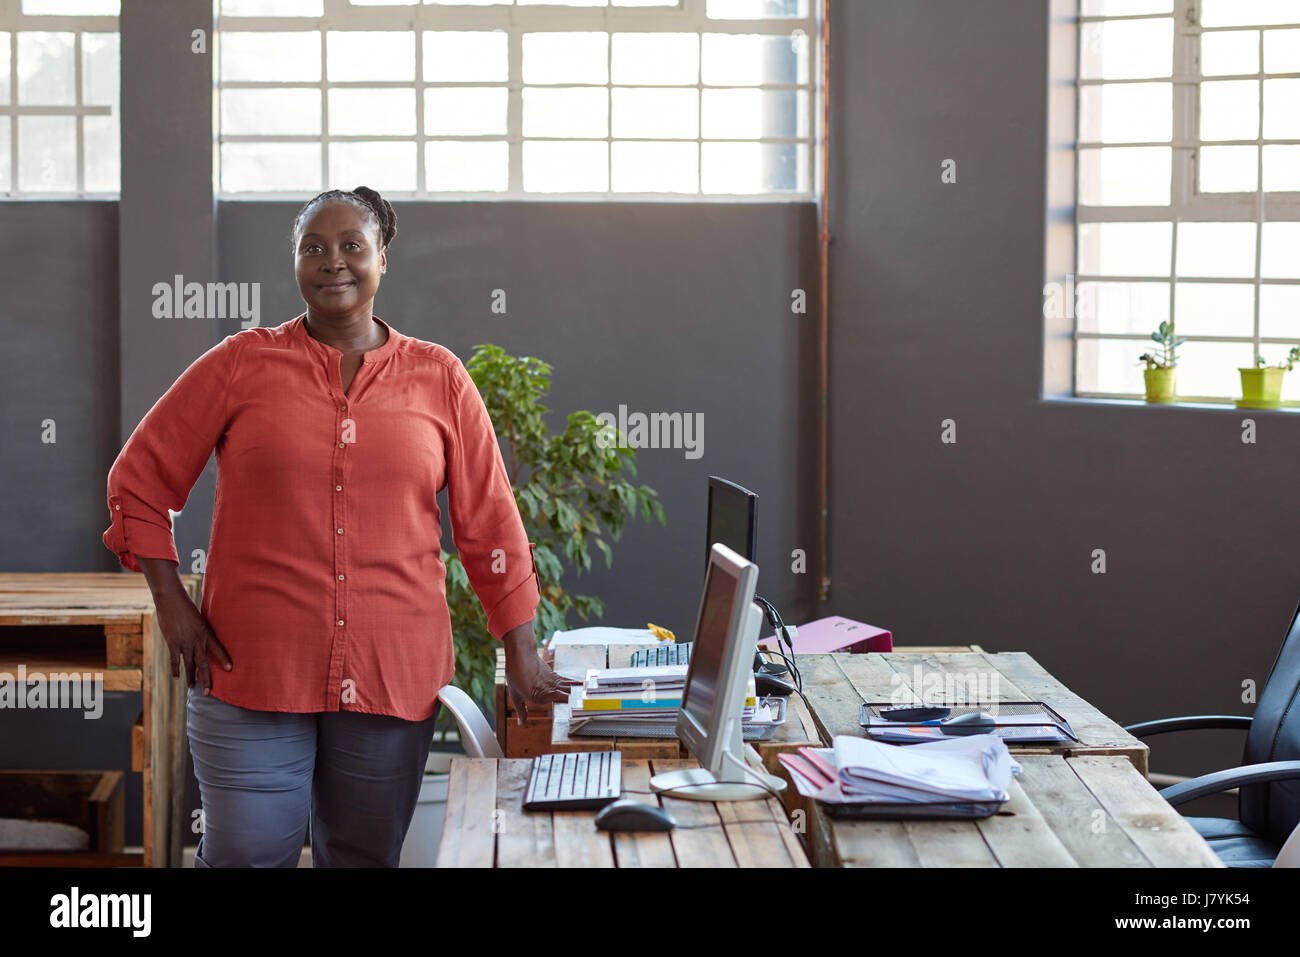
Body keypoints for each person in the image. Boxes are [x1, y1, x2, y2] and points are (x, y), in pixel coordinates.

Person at [103, 185, 573, 867]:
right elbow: (138, 479)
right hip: (251, 667)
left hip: (393, 673)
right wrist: (171, 601)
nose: (333, 261)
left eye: (352, 245)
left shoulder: (439, 377)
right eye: (313, 247)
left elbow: (492, 523)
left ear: (384, 259)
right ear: (295, 262)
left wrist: (521, 648)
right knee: (244, 853)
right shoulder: (242, 363)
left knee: (361, 857)